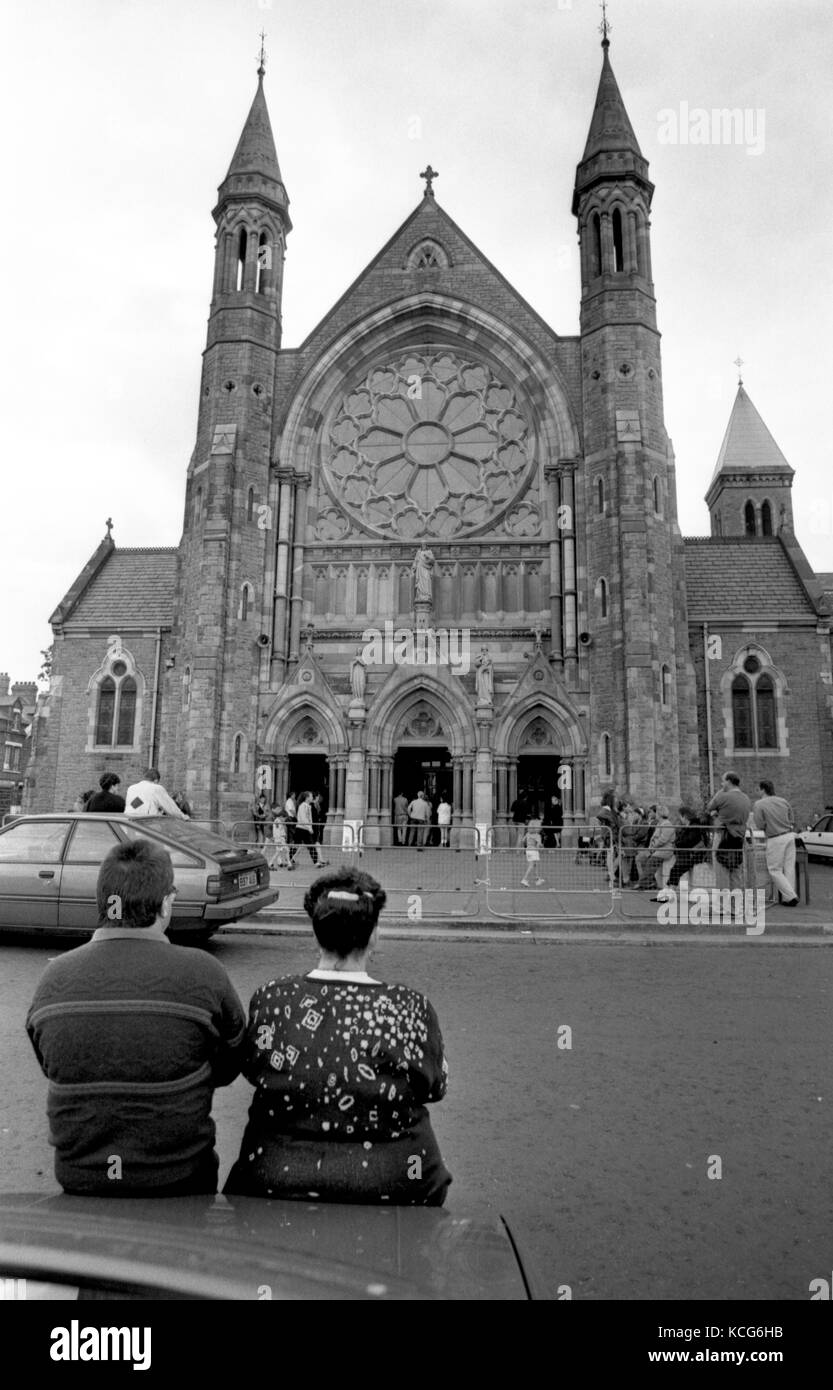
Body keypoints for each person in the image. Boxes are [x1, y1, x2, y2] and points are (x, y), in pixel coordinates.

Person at [26, 839, 246, 1195]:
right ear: (166, 902)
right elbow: (229, 1064)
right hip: (180, 1178)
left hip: (82, 1179)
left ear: (104, 900)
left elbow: (53, 1063)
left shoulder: (54, 978)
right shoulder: (204, 972)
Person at [224, 868, 451, 1205]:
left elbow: (252, 1068)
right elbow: (435, 1086)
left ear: (316, 935)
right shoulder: (410, 1006)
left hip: (275, 1176)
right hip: (399, 1181)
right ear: (373, 935)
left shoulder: (272, 998)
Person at [753, 780, 799, 906]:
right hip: (789, 835)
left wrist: (767, 825)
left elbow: (759, 824)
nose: (757, 792)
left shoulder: (759, 804)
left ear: (763, 789)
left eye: (757, 789)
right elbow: (792, 820)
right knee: (789, 868)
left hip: (775, 837)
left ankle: (791, 896)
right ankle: (787, 898)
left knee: (774, 869)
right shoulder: (783, 801)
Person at [650, 807, 711, 901]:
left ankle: (669, 893)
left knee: (676, 869)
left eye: (680, 817)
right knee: (675, 869)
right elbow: (682, 840)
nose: (680, 819)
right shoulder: (690, 826)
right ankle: (668, 892)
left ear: (685, 816)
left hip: (695, 854)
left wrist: (678, 844)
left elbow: (689, 841)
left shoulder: (694, 826)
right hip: (689, 854)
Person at [707, 771, 751, 894]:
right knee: (736, 871)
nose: (722, 783)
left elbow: (709, 807)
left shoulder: (722, 796)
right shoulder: (746, 798)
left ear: (729, 781)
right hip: (739, 837)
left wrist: (720, 792)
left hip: (723, 836)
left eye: (723, 781)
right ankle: (735, 906)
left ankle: (722, 906)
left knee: (722, 871)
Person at [635, 807, 675, 890]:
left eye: (657, 813)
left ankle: (643, 883)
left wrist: (653, 847)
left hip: (664, 850)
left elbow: (663, 840)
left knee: (651, 862)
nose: (655, 815)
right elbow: (654, 838)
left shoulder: (667, 824)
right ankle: (648, 881)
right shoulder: (660, 824)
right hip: (656, 849)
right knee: (641, 858)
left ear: (660, 814)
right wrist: (651, 848)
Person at [295, 792, 328, 866]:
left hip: (309, 828)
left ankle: (317, 861)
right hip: (305, 828)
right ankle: (290, 859)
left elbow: (311, 818)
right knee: (300, 845)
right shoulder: (306, 806)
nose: (312, 798)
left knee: (311, 845)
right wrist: (309, 827)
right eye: (311, 796)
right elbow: (305, 818)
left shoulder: (311, 805)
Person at [521, 817, 545, 887]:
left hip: (528, 850)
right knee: (531, 865)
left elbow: (523, 841)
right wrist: (542, 847)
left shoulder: (528, 834)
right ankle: (524, 879)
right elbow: (539, 845)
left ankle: (537, 879)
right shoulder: (538, 836)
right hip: (534, 851)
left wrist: (527, 845)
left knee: (535, 865)